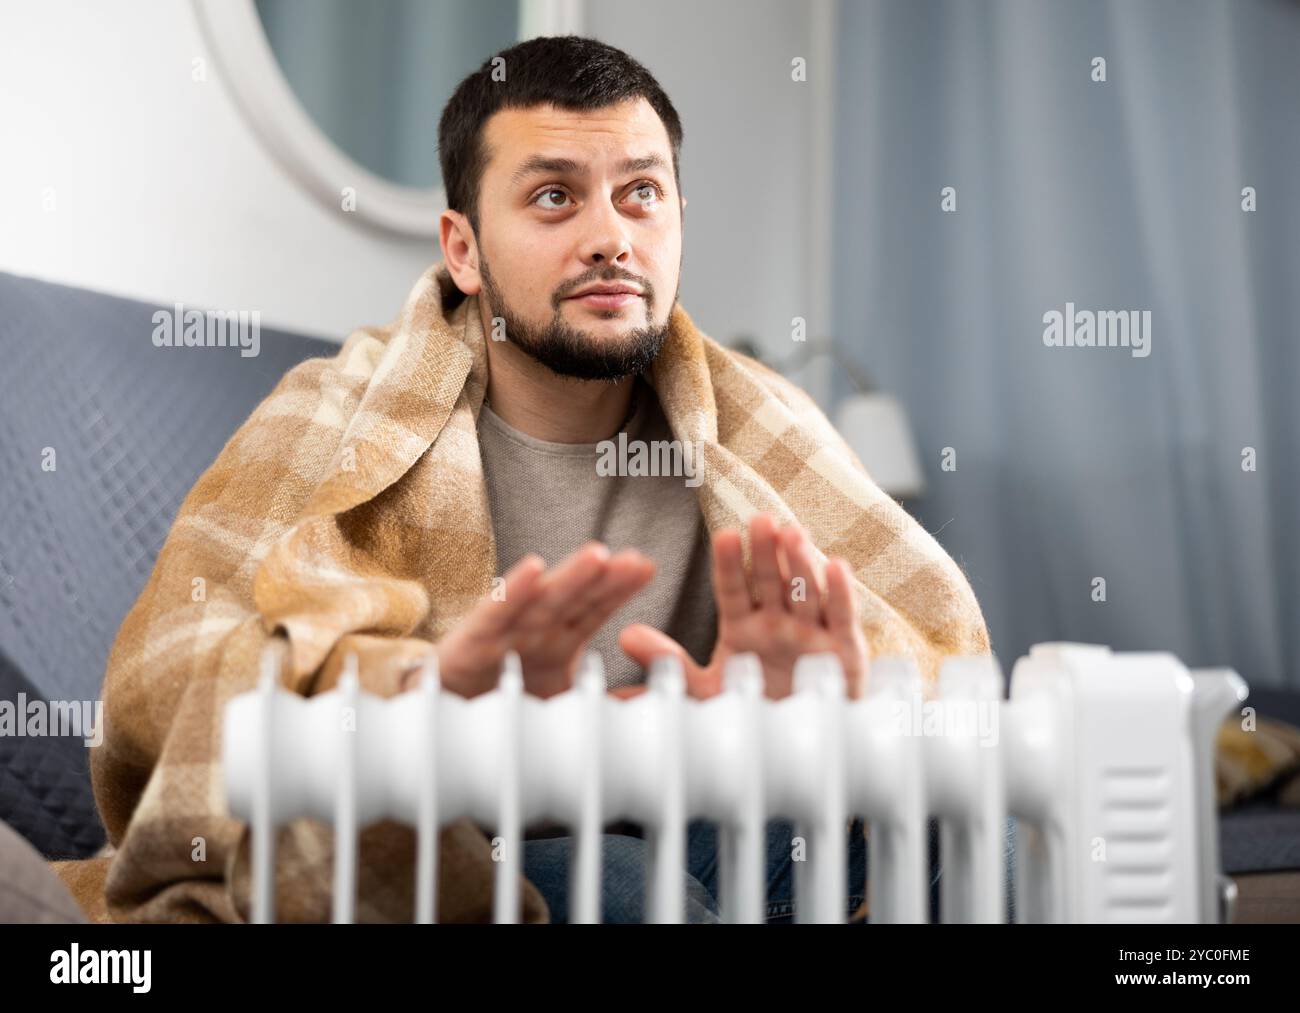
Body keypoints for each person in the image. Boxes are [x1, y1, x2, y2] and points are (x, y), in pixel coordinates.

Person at [48, 34, 991, 923]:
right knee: (615, 881)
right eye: (553, 197)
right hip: (454, 850)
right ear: (463, 250)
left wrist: (818, 721)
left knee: (964, 834)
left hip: (699, 829)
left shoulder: (767, 422)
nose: (611, 237)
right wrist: (422, 708)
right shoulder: (329, 414)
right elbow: (163, 687)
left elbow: (935, 661)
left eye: (641, 193)